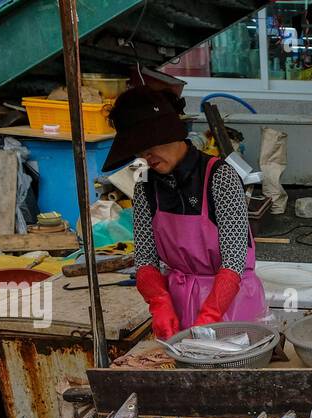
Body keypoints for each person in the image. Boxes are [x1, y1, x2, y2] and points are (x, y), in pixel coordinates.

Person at [102, 86, 267, 340]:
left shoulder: (220, 176)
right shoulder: (146, 185)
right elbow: (145, 259)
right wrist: (159, 302)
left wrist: (210, 316)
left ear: (167, 132)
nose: (144, 156)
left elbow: (234, 261)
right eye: (137, 150)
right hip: (180, 304)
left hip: (231, 303)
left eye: (147, 146)